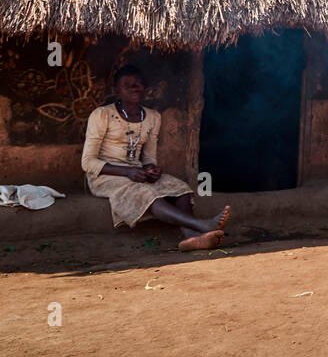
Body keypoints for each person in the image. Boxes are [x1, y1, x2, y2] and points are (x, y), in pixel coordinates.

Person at [82, 65, 231, 251]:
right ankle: (202, 225)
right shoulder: (102, 115)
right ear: (116, 91)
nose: (135, 88)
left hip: (137, 173)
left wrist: (151, 169)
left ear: (145, 88)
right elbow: (88, 162)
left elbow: (149, 157)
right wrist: (127, 171)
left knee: (181, 189)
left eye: (138, 84)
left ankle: (190, 238)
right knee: (148, 193)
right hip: (105, 176)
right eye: (127, 85)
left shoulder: (152, 117)